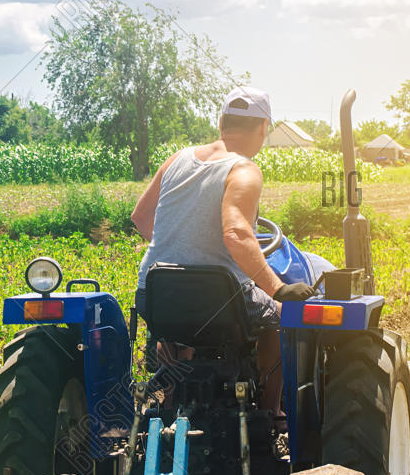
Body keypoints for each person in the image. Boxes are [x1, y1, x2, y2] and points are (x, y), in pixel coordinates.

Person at [131, 85, 334, 413]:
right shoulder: (243, 169)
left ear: (221, 122)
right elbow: (238, 235)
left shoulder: (176, 159)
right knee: (281, 318)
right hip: (218, 299)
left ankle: (169, 400)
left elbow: (141, 219)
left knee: (175, 330)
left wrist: (181, 246)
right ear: (263, 129)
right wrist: (279, 288)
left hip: (155, 294)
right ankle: (272, 413)